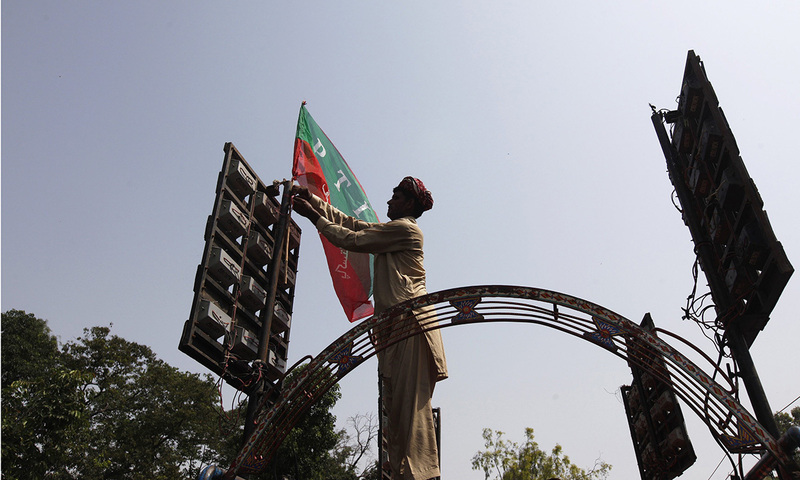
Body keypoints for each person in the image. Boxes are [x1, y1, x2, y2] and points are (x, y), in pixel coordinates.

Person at [291, 177, 448, 480]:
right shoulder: (392, 231)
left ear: (409, 203)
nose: (389, 201)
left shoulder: (406, 229)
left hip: (411, 324)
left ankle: (420, 475)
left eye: (395, 196)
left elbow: (353, 239)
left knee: (410, 413)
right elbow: (352, 225)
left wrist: (313, 217)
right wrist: (312, 200)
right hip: (396, 328)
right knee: (398, 416)